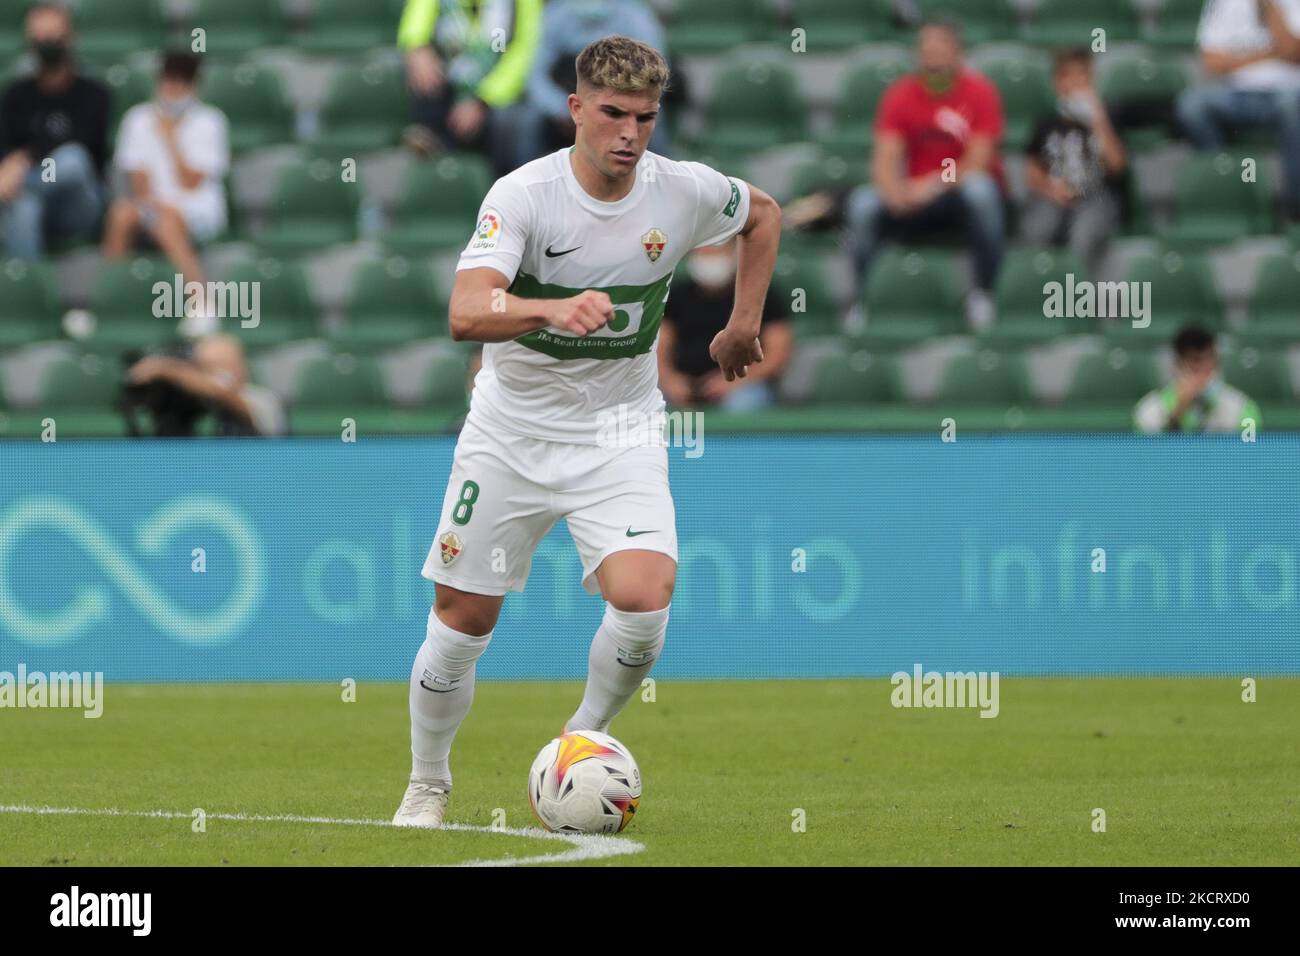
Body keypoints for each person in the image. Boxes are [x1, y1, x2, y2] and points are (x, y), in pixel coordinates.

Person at [392, 35, 780, 827]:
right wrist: (547, 309)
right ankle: (427, 781)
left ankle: (583, 737)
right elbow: (467, 312)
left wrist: (743, 323)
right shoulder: (525, 196)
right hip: (511, 430)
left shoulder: (682, 191)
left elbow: (764, 214)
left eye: (645, 117)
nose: (630, 134)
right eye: (612, 114)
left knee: (645, 598)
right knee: (463, 619)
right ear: (576, 110)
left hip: (618, 431)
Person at [843, 17, 1006, 329]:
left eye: (940, 43)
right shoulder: (901, 95)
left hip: (955, 193)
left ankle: (984, 294)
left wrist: (930, 186)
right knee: (863, 204)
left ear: (958, 51)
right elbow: (884, 158)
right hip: (913, 195)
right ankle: (865, 299)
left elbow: (978, 160)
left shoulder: (980, 93)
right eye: (925, 44)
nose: (931, 50)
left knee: (982, 190)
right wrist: (894, 192)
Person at [101, 51, 229, 330]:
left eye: (181, 82)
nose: (173, 88)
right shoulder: (137, 119)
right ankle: (107, 303)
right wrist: (150, 202)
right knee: (121, 213)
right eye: (169, 80)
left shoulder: (211, 121)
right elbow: (138, 183)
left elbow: (191, 181)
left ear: (194, 85)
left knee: (166, 221)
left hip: (199, 208)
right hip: (153, 204)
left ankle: (202, 302)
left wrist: (170, 137)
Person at [0, 1, 109, 258]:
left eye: (54, 36)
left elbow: (83, 144)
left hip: (78, 203)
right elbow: (5, 144)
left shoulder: (94, 93)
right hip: (28, 197)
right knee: (24, 205)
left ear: (70, 38)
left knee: (71, 159)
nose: (47, 43)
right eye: (39, 37)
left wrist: (23, 159)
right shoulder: (16, 94)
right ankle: (30, 292)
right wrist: (12, 164)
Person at [1177, 0, 1300, 219]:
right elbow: (1212, 62)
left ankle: (1295, 209)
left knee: (1293, 106)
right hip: (1236, 94)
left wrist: (1268, 6)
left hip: (1287, 92)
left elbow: (1292, 50)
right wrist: (1269, 54)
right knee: (1193, 105)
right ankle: (1227, 193)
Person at [397, 0, 543, 177]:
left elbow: (526, 50)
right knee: (419, 74)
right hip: (450, 81)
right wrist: (417, 46)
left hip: (496, 93)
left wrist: (483, 99)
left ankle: (501, 193)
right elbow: (420, 10)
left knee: (511, 123)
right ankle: (430, 166)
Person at [517, 0, 670, 167]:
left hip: (621, 99)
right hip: (565, 105)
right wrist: (561, 109)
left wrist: (613, 106)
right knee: (528, 120)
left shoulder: (635, 15)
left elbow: (655, 73)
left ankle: (654, 179)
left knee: (649, 116)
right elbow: (536, 77)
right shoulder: (557, 14)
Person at [1022, 47, 1126, 276]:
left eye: (1083, 75)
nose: (1076, 82)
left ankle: (1076, 300)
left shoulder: (1107, 118)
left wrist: (1097, 120)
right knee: (1038, 228)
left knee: (1084, 234)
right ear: (1057, 83)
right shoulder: (1046, 123)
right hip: (1055, 195)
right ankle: (1038, 291)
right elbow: (1032, 172)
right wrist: (1051, 189)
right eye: (1068, 76)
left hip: (1097, 195)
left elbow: (1117, 165)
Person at [659, 239, 792, 411]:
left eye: (716, 251)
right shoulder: (676, 295)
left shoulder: (762, 294)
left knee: (744, 405)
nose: (710, 257)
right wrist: (671, 381)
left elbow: (777, 353)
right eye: (704, 252)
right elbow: (659, 349)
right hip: (683, 384)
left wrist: (735, 382)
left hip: (743, 385)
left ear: (733, 252)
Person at [125, 334, 288, 437]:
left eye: (225, 365)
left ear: (242, 367)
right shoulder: (196, 403)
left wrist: (165, 368)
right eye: (208, 368)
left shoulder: (263, 400)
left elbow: (225, 395)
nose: (217, 375)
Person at [1133, 325, 1260, 433]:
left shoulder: (1242, 409)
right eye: (1195, 363)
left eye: (1210, 361)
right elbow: (1150, 458)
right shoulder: (1148, 411)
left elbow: (1249, 457)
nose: (1204, 372)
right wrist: (1176, 416)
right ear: (1177, 364)